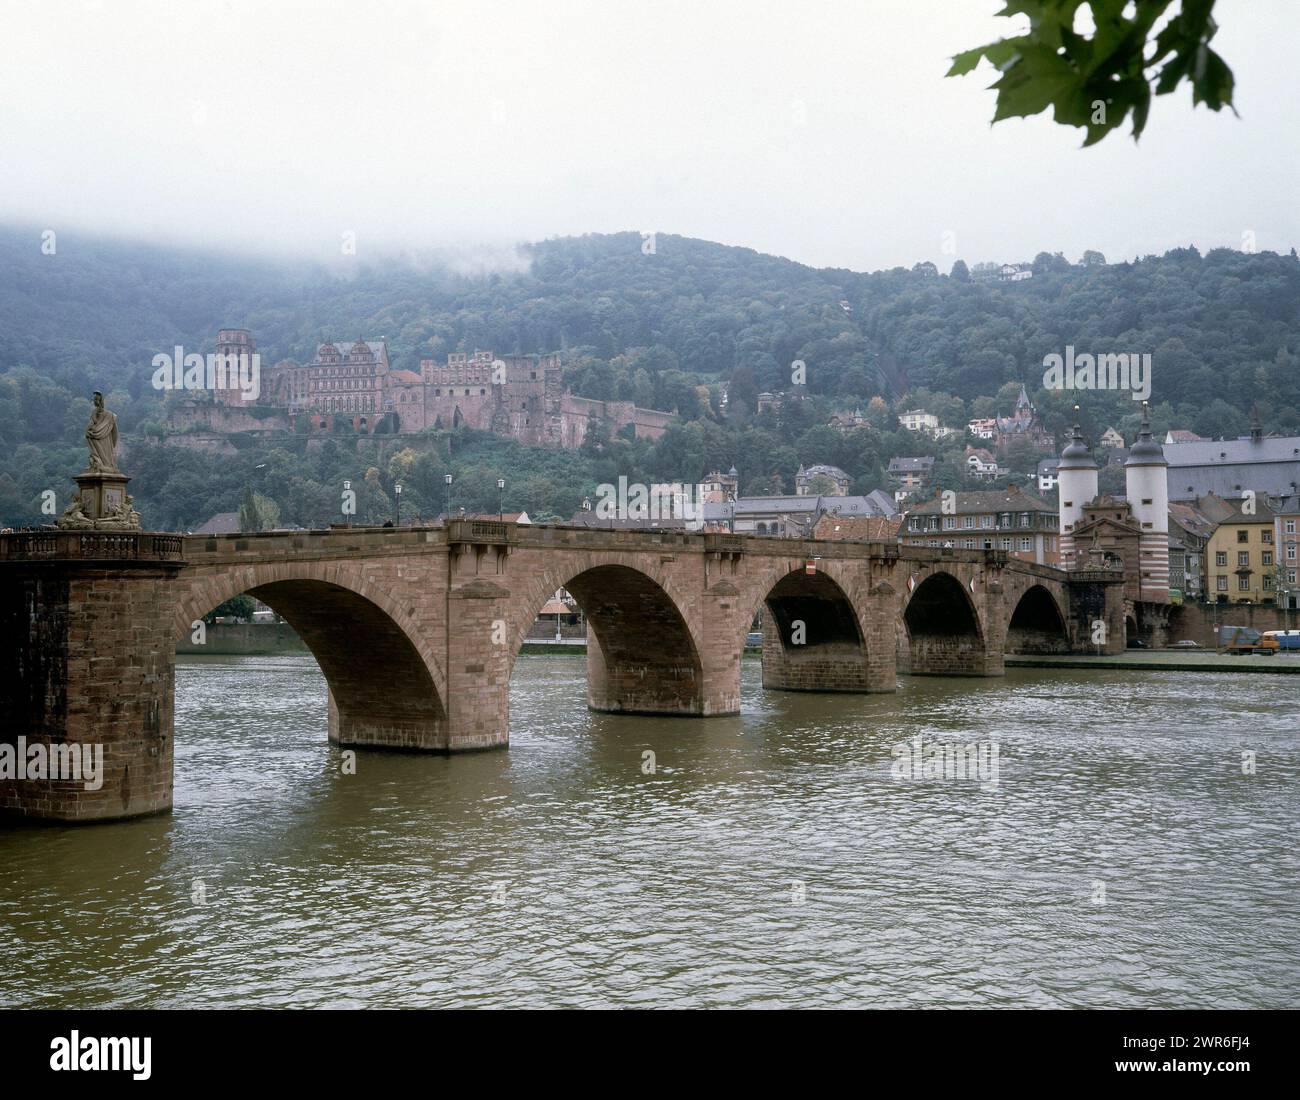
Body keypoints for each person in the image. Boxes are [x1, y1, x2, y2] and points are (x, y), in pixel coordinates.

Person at [85, 391, 118, 472]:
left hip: (105, 440)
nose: (95, 402)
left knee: (106, 457)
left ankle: (104, 464)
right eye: (94, 400)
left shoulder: (109, 415)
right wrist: (89, 431)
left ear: (101, 401)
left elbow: (114, 433)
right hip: (96, 437)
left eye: (96, 400)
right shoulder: (94, 413)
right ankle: (99, 462)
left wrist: (91, 431)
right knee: (89, 435)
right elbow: (91, 424)